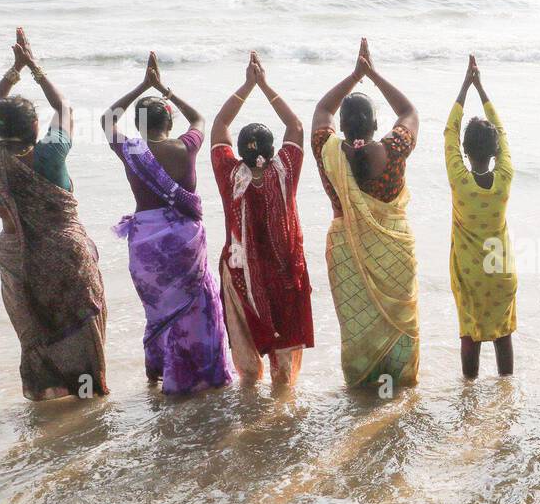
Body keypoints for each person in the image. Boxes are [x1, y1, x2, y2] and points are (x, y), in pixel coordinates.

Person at [0, 28, 108, 400]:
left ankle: (46, 397)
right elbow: (65, 110)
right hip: (66, 255)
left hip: (18, 257)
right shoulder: (49, 153)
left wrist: (12, 72)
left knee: (34, 331)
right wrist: (33, 67)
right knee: (82, 328)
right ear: (35, 127)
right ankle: (85, 397)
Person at [102, 52, 233, 395]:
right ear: (169, 122)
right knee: (195, 303)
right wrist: (166, 90)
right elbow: (200, 118)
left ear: (140, 126)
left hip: (147, 242)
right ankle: (203, 372)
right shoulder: (185, 147)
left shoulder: (131, 150)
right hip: (185, 240)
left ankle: (162, 373)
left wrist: (142, 86)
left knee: (160, 311)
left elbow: (106, 118)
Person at [311, 39, 420, 388]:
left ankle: (363, 388)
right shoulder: (394, 148)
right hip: (394, 251)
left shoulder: (327, 150)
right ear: (375, 124)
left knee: (358, 326)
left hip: (346, 249)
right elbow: (409, 112)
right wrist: (373, 75)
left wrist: (354, 76)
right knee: (399, 323)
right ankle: (397, 387)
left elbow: (321, 110)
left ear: (342, 127)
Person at [209, 52, 313, 389]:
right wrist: (264, 85)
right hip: (284, 274)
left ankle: (249, 409)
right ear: (272, 152)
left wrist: (246, 86)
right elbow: (296, 126)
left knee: (248, 372)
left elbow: (218, 127)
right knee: (283, 370)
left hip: (242, 276)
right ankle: (279, 414)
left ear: (240, 152)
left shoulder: (230, 176)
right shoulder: (285, 171)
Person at [444, 55, 516, 378]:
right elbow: (501, 132)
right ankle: (507, 393)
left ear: (466, 151)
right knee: (503, 337)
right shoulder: (504, 177)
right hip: (500, 271)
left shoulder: (461, 181)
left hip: (471, 275)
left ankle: (469, 393)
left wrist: (466, 85)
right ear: (495, 151)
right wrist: (482, 89)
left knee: (470, 337)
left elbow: (449, 133)